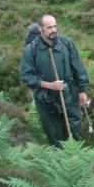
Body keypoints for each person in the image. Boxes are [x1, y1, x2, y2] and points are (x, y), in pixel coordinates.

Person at [19, 15, 89, 147]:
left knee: (75, 130)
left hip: (69, 93)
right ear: (40, 29)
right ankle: (61, 162)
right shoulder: (31, 50)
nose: (53, 30)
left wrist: (82, 91)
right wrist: (48, 85)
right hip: (46, 99)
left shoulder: (67, 43)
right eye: (49, 27)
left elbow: (78, 68)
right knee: (55, 135)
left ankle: (77, 160)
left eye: (55, 26)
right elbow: (26, 76)